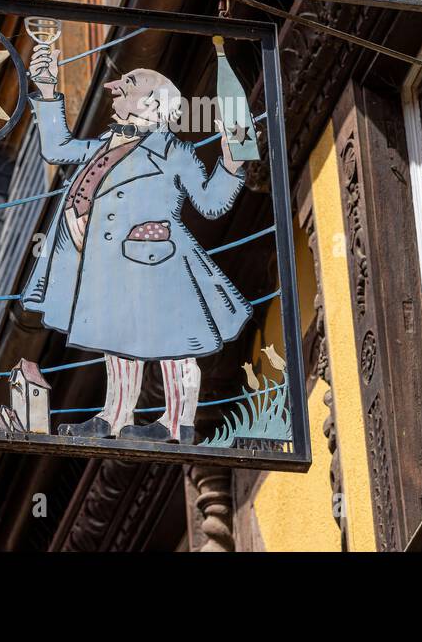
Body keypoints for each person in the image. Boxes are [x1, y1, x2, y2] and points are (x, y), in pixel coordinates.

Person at [19, 41, 251, 443]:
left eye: (128, 85)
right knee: (118, 343)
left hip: (159, 262)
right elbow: (57, 148)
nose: (113, 89)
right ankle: (114, 416)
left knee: (175, 343)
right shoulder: (105, 143)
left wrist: (232, 163)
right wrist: (47, 90)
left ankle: (178, 423)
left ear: (152, 104)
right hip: (109, 264)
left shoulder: (173, 151)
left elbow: (212, 203)